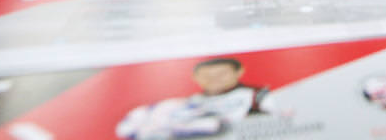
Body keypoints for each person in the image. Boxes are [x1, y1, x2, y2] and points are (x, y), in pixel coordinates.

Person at [116, 57, 273, 139]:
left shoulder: (256, 95)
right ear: (195, 78)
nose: (215, 80)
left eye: (222, 74)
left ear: (239, 72)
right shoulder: (189, 104)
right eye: (207, 76)